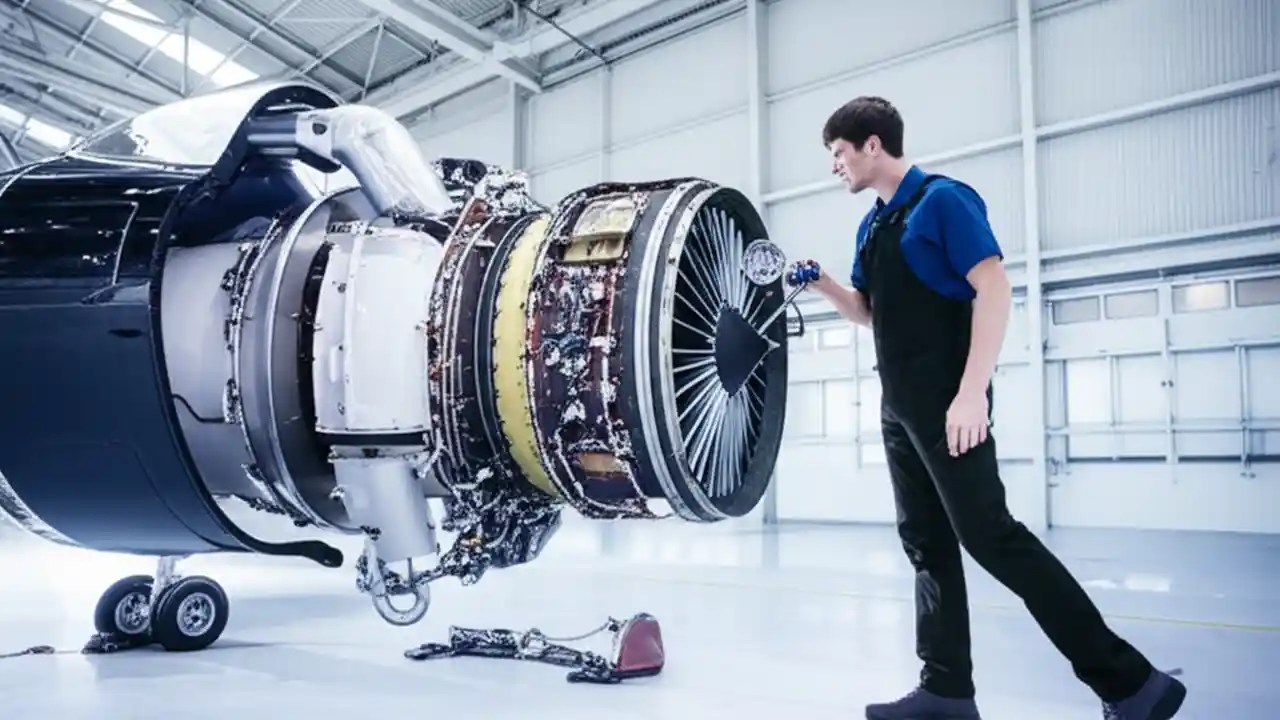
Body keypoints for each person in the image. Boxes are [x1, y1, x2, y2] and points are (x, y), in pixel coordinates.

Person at [805, 96, 1186, 720]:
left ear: (872, 145)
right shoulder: (873, 226)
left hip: (949, 406)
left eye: (839, 154)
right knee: (925, 543)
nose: (835, 167)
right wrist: (822, 283)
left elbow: (994, 287)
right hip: (898, 409)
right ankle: (946, 691)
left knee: (993, 539)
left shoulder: (944, 202)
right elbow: (868, 313)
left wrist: (971, 392)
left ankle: (1133, 685)